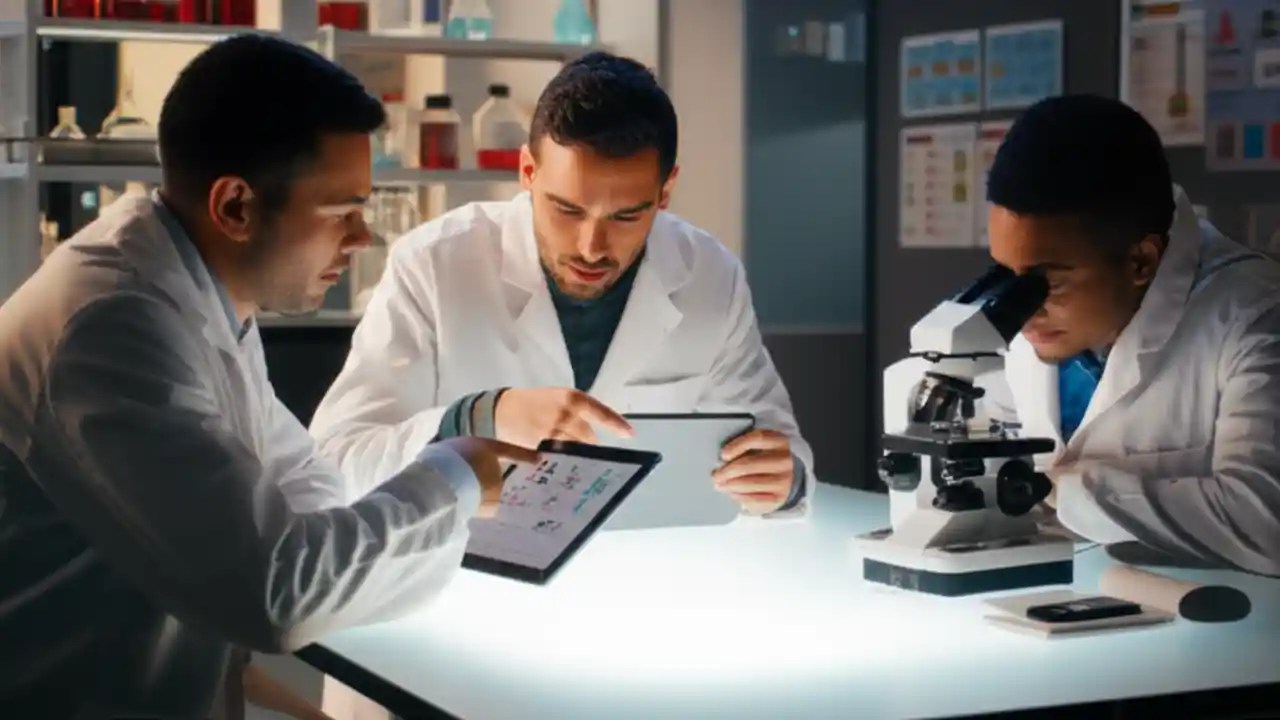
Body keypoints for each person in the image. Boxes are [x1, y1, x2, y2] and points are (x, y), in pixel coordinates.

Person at [0, 35, 532, 717]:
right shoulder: (113, 330)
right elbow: (274, 595)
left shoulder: (199, 294)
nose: (362, 238)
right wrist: (452, 476)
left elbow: (306, 488)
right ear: (235, 207)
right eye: (341, 213)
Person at [309, 52, 815, 518]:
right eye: (567, 209)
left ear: (666, 192)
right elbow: (335, 463)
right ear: (527, 171)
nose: (592, 247)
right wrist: (480, 417)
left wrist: (783, 481)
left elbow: (780, 448)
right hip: (468, 564)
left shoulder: (710, 274)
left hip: (650, 564)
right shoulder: (434, 263)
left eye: (626, 216)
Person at [983, 94, 1280, 577]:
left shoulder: (1255, 314)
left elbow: (1265, 521)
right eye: (1006, 274)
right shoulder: (1044, 318)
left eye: (1045, 281)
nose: (1018, 310)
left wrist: (1062, 490)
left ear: (1141, 261)